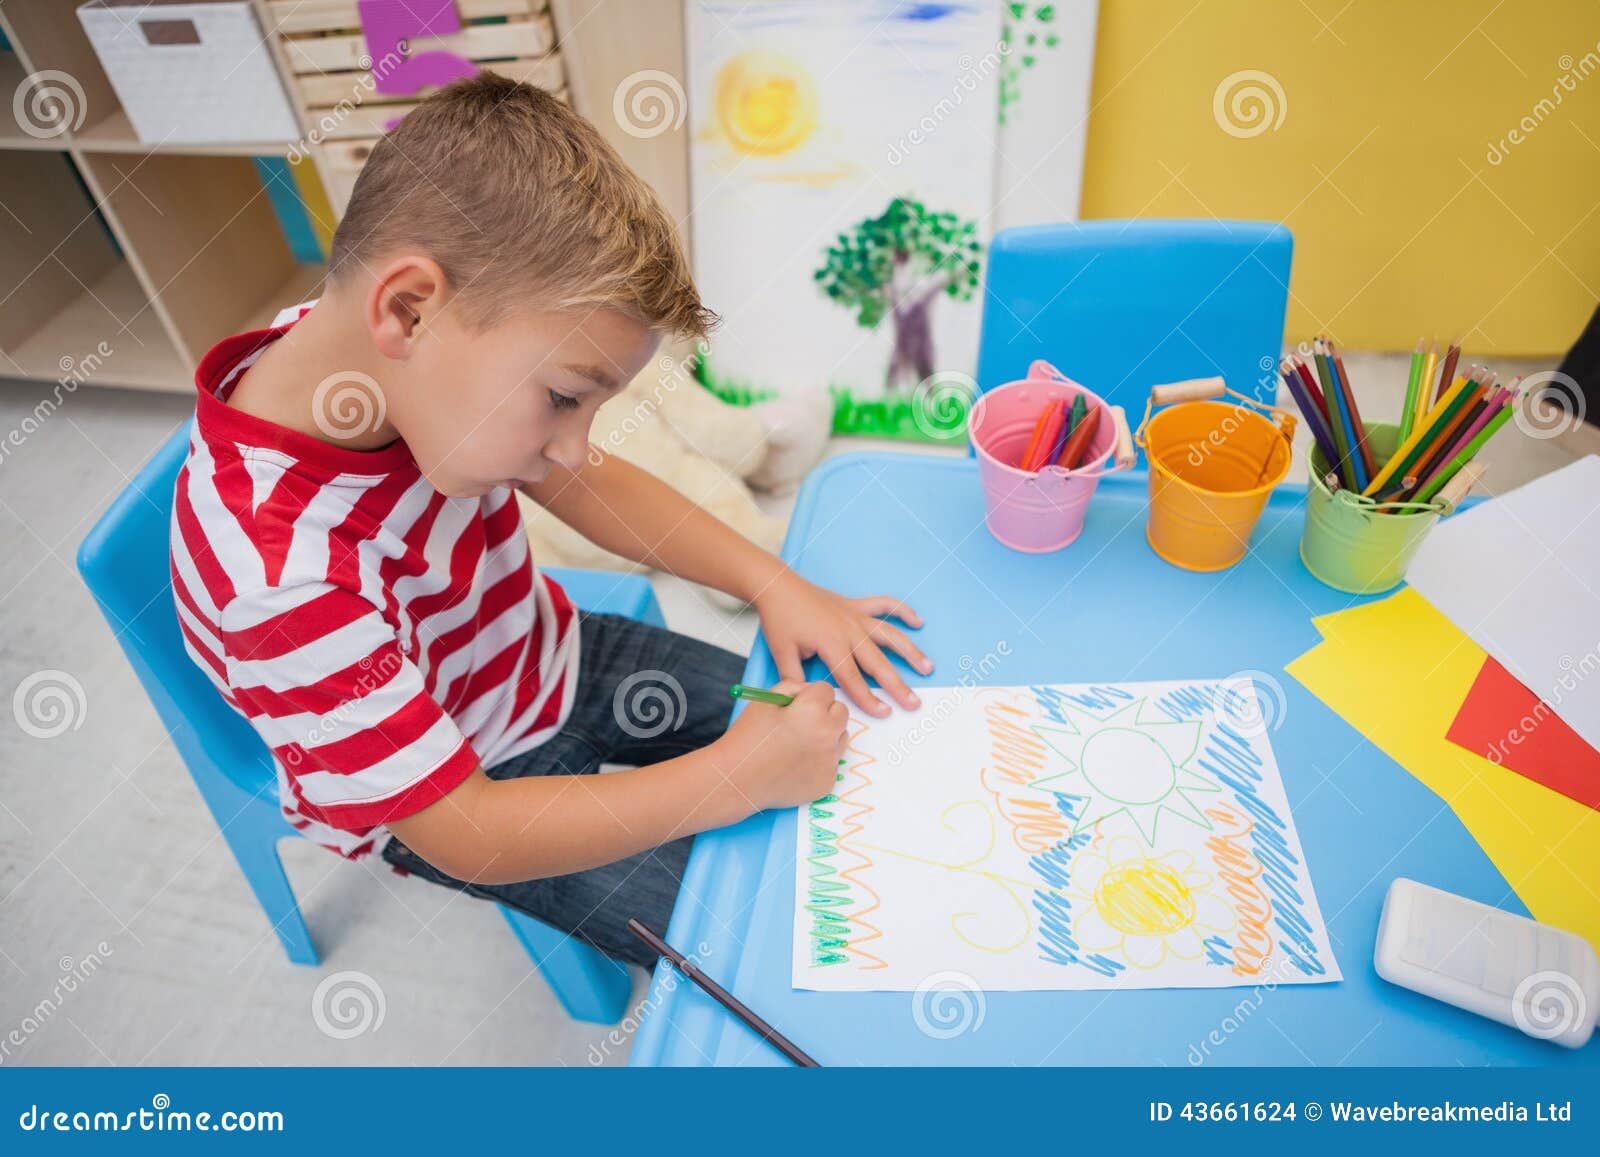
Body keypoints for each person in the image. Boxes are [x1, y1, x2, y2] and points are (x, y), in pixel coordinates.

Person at [168, 72, 933, 966]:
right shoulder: (277, 577)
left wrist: (773, 582)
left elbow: (582, 485)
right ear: (408, 307)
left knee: (851, 747)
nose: (575, 447)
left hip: (551, 652)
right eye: (565, 398)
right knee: (771, 947)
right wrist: (733, 778)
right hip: (469, 789)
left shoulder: (378, 360)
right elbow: (466, 831)